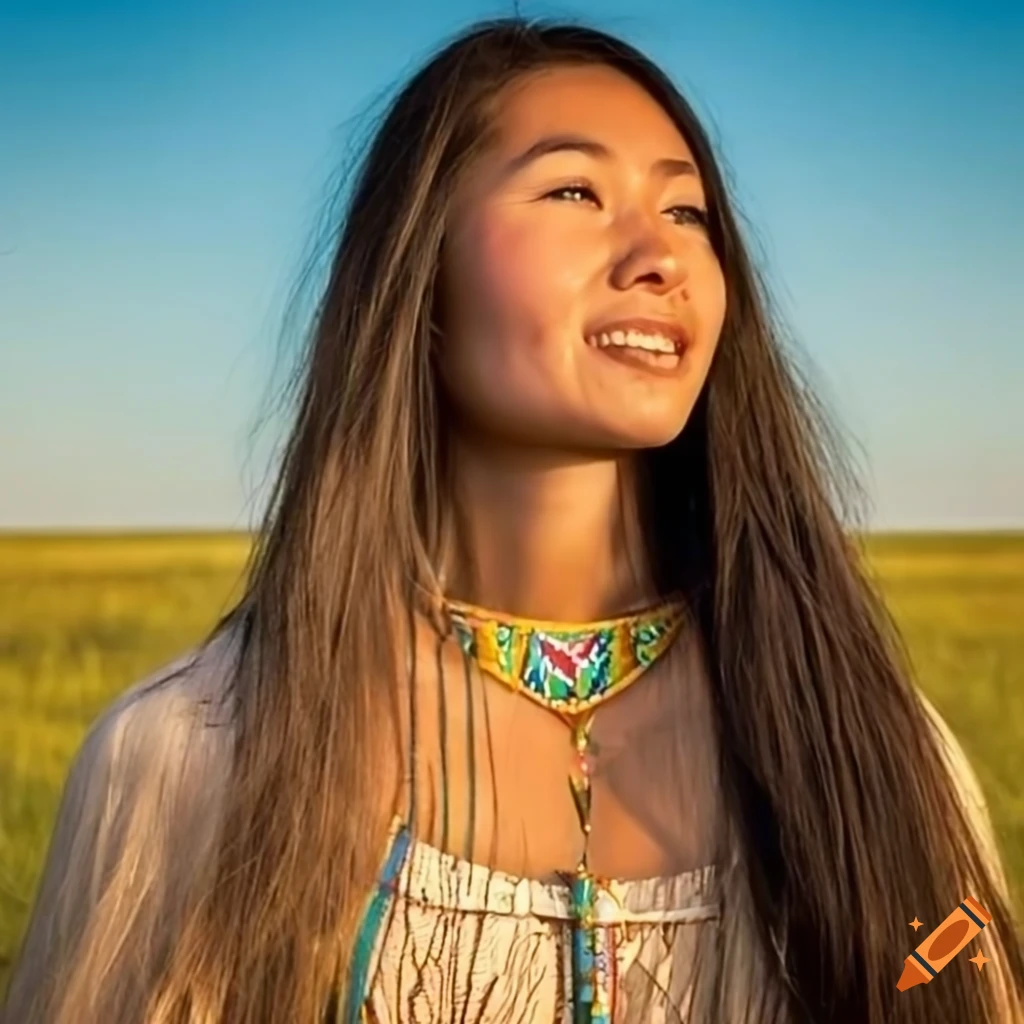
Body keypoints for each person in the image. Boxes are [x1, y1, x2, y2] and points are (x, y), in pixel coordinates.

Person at [3, 17, 1022, 1024]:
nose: (659, 256)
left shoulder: (871, 749)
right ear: (420, 271)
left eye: (689, 212)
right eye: (575, 190)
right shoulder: (193, 756)